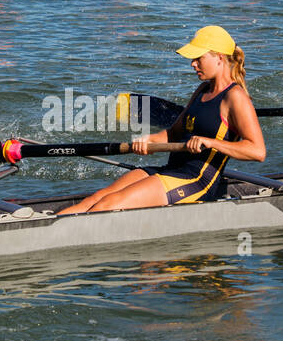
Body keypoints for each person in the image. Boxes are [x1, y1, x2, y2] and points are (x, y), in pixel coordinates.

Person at [58, 25, 265, 214]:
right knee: (94, 199)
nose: (193, 64)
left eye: (198, 58)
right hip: (172, 170)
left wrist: (211, 143)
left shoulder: (235, 97)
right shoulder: (202, 90)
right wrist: (149, 140)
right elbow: (173, 133)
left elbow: (257, 151)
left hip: (196, 181)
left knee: (106, 206)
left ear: (219, 57)